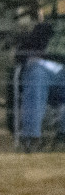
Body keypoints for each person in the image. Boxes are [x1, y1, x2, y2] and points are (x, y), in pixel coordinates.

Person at [15, 19, 65, 152]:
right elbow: (20, 54)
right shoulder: (47, 27)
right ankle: (32, 137)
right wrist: (33, 58)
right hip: (43, 71)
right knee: (36, 73)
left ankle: (62, 136)